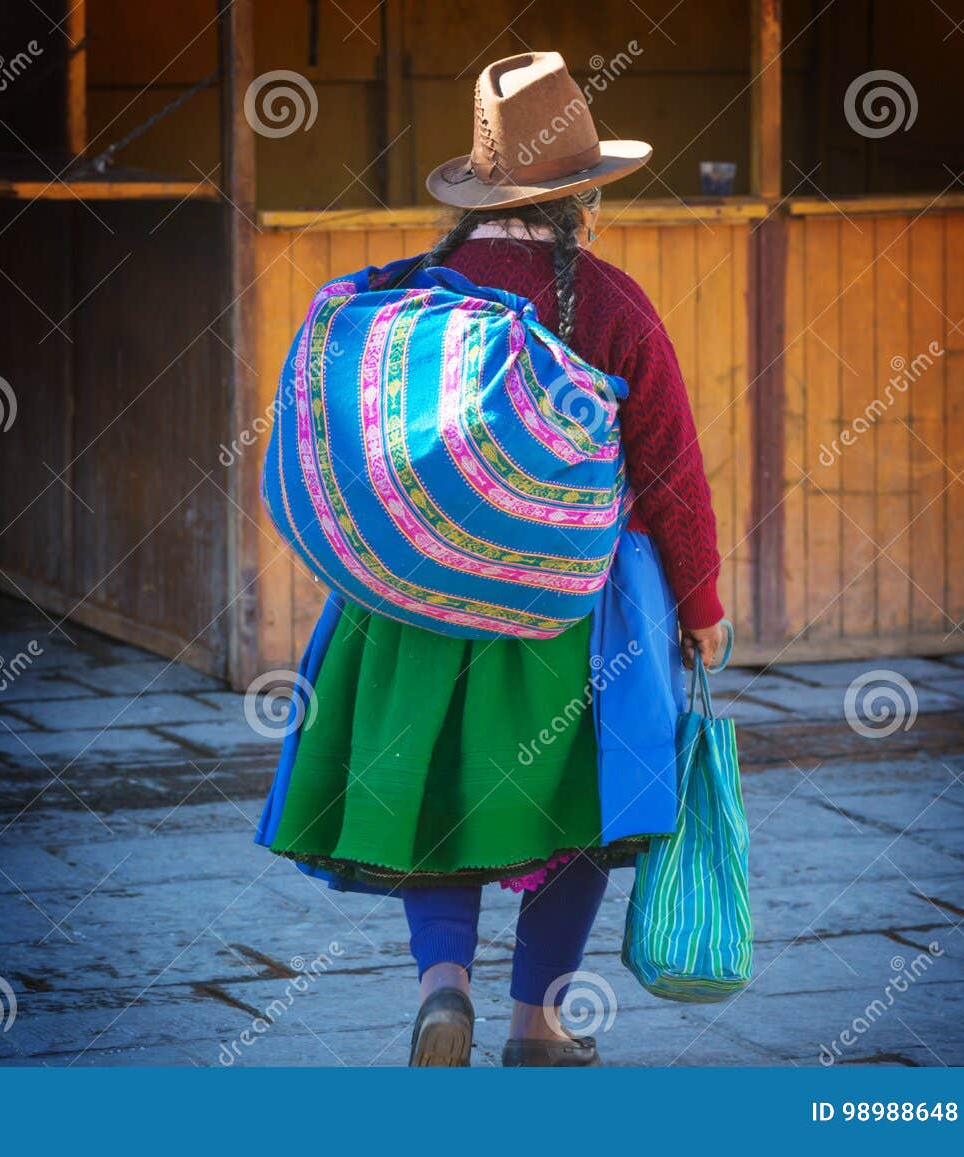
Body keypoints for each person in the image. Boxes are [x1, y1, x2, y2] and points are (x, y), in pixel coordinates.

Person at [254, 52, 728, 1067]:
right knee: (581, 812)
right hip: (570, 618)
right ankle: (537, 1021)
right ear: (579, 198)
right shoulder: (611, 305)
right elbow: (670, 472)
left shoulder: (415, 292)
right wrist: (702, 602)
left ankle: (441, 990)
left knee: (435, 794)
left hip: (409, 606)